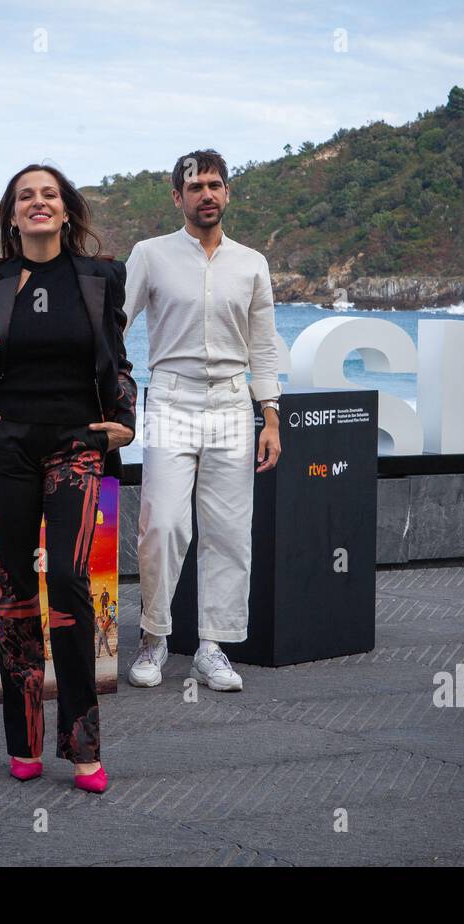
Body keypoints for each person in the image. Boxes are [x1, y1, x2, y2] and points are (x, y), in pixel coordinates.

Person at [0, 163, 136, 793]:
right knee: (13, 585)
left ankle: (83, 747)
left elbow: (118, 360)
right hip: (6, 445)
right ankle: (22, 739)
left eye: (48, 194)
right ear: (12, 213)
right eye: (26, 196)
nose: (38, 203)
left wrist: (125, 423)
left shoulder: (100, 276)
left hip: (78, 444)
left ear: (65, 209)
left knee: (69, 580)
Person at [124, 149, 282, 693]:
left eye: (215, 185)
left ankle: (213, 648)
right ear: (178, 196)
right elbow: (113, 328)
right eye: (195, 187)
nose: (206, 195)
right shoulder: (150, 255)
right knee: (163, 522)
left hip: (234, 403)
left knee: (230, 532)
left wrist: (271, 415)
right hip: (170, 397)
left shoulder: (252, 262)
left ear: (227, 192)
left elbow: (263, 345)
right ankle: (154, 635)